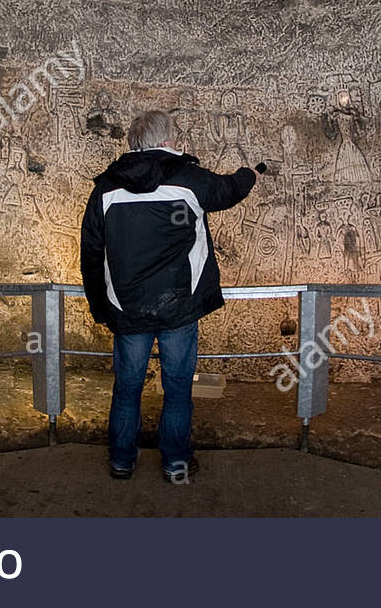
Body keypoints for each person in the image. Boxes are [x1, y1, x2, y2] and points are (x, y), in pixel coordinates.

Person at [80, 109, 257, 483]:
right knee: (177, 388)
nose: (176, 142)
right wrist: (251, 174)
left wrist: (101, 306)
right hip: (179, 306)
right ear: (164, 142)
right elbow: (229, 190)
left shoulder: (106, 190)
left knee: (127, 387)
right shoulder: (188, 180)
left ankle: (122, 460)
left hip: (127, 309)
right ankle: (175, 461)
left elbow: (92, 253)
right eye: (173, 136)